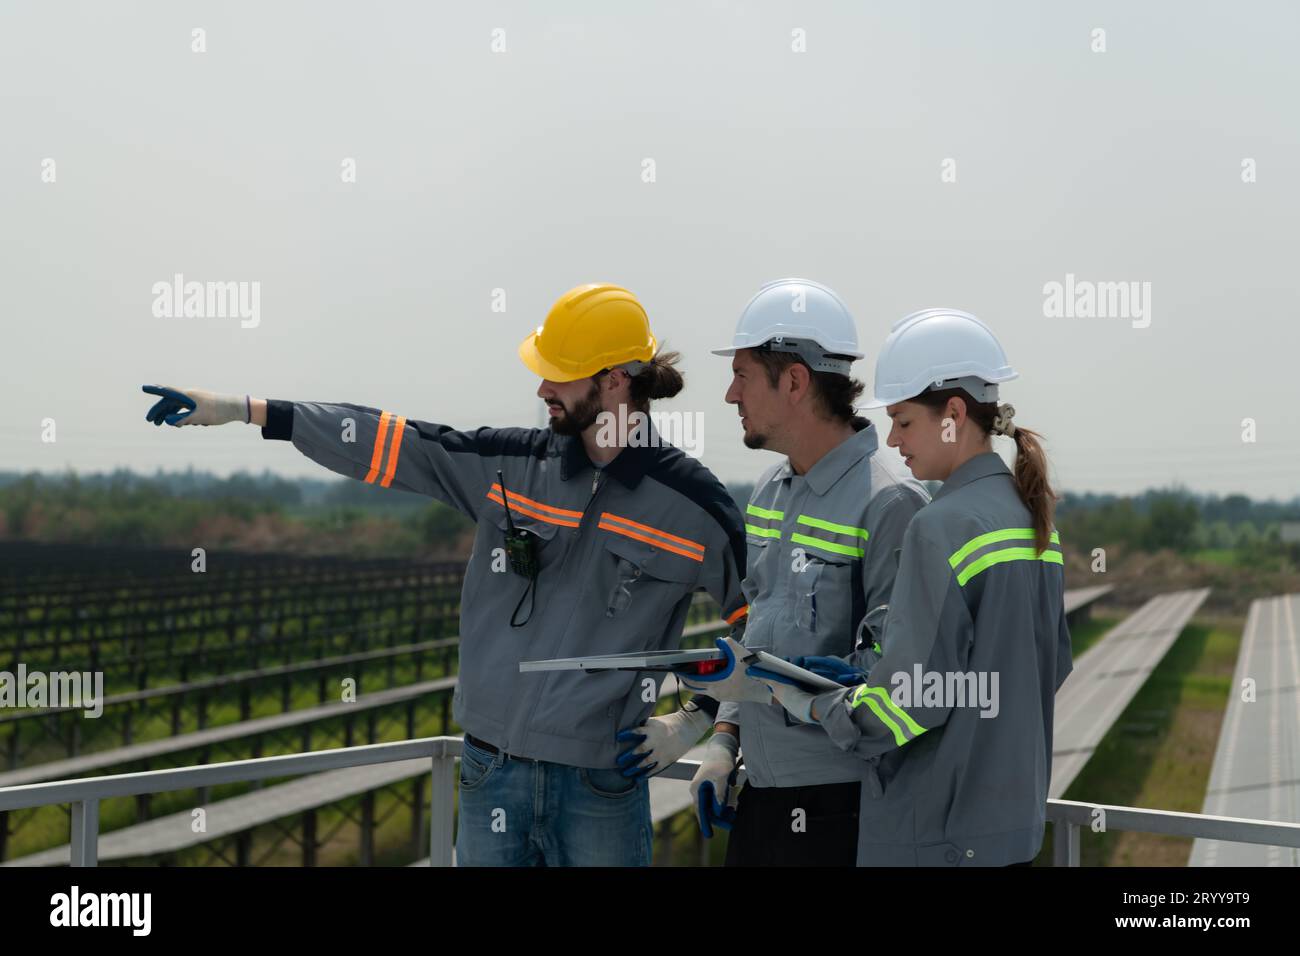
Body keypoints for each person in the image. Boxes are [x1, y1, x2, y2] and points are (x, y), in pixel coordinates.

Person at [142, 282, 749, 867]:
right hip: (491, 774)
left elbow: (763, 632)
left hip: (600, 785)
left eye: (558, 372)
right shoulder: (508, 466)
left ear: (615, 379)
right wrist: (247, 411)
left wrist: (701, 725)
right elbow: (392, 441)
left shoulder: (693, 506)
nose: (541, 387)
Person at [741, 307, 1073, 866]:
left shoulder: (939, 525)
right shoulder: (1031, 519)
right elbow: (1052, 666)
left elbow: (911, 702)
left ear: (954, 414)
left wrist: (820, 706)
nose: (892, 440)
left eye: (904, 421)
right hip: (1010, 832)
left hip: (932, 832)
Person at [618, 279, 927, 866]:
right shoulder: (770, 491)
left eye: (742, 375)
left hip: (843, 806)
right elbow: (758, 634)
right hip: (761, 794)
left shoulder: (890, 503)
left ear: (794, 382)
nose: (731, 395)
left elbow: (895, 680)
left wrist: (776, 688)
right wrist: (723, 741)